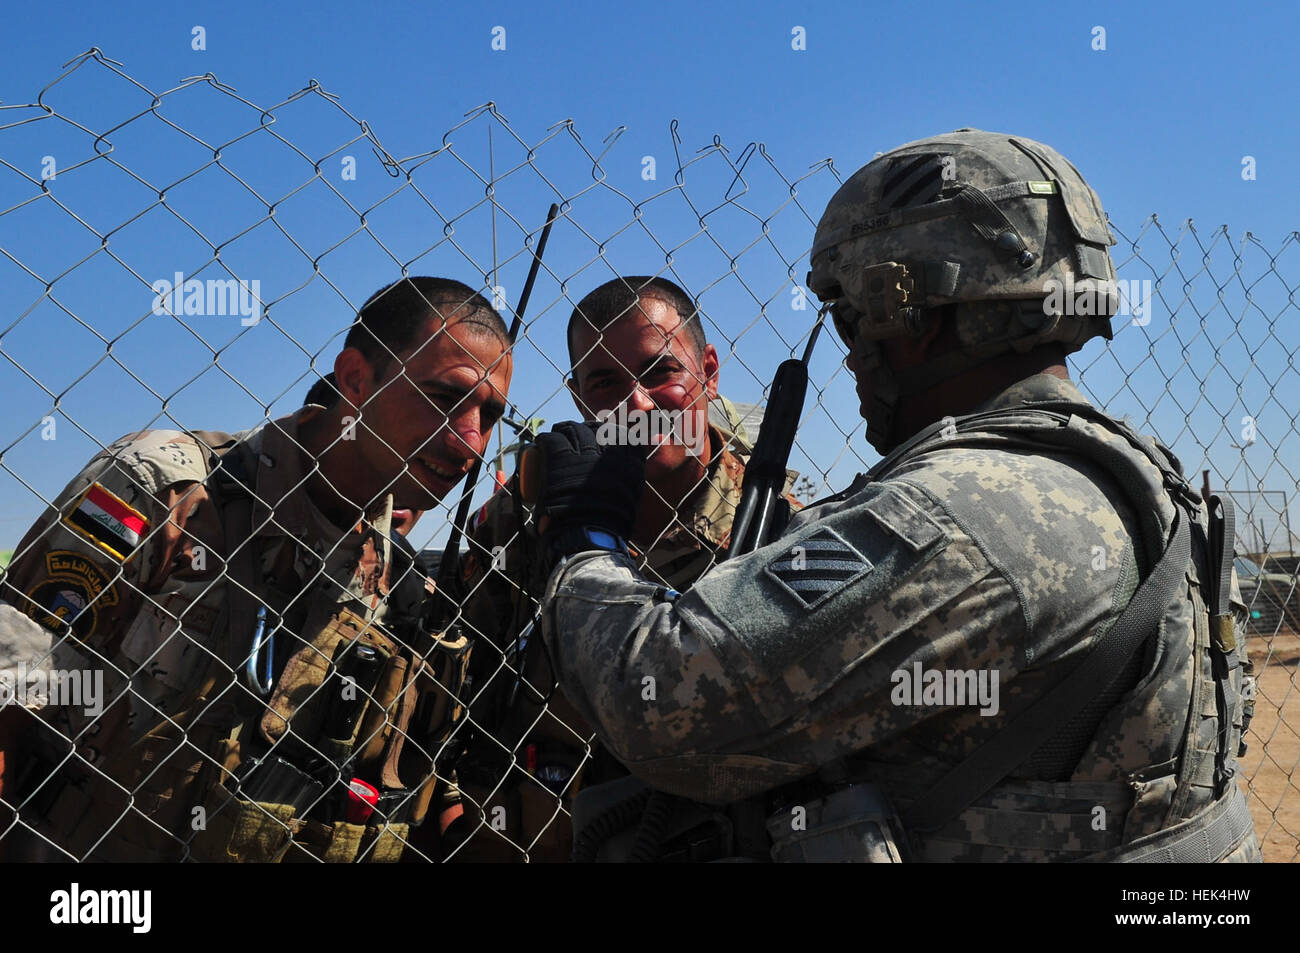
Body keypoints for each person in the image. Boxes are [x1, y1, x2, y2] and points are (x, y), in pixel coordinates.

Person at [525, 130, 1261, 862]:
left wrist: (584, 542)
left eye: (849, 315)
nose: (847, 352)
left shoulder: (966, 507)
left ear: (910, 309)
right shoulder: (1142, 474)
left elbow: (658, 702)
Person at [0, 276, 511, 862]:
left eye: (490, 414)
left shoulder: (394, 582)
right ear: (354, 378)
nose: (471, 442)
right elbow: (10, 696)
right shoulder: (168, 489)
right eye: (445, 397)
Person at [450, 275, 795, 861]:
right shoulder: (528, 517)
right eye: (605, 382)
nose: (635, 405)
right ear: (580, 397)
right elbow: (456, 686)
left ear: (709, 372)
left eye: (661, 374)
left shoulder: (773, 528)